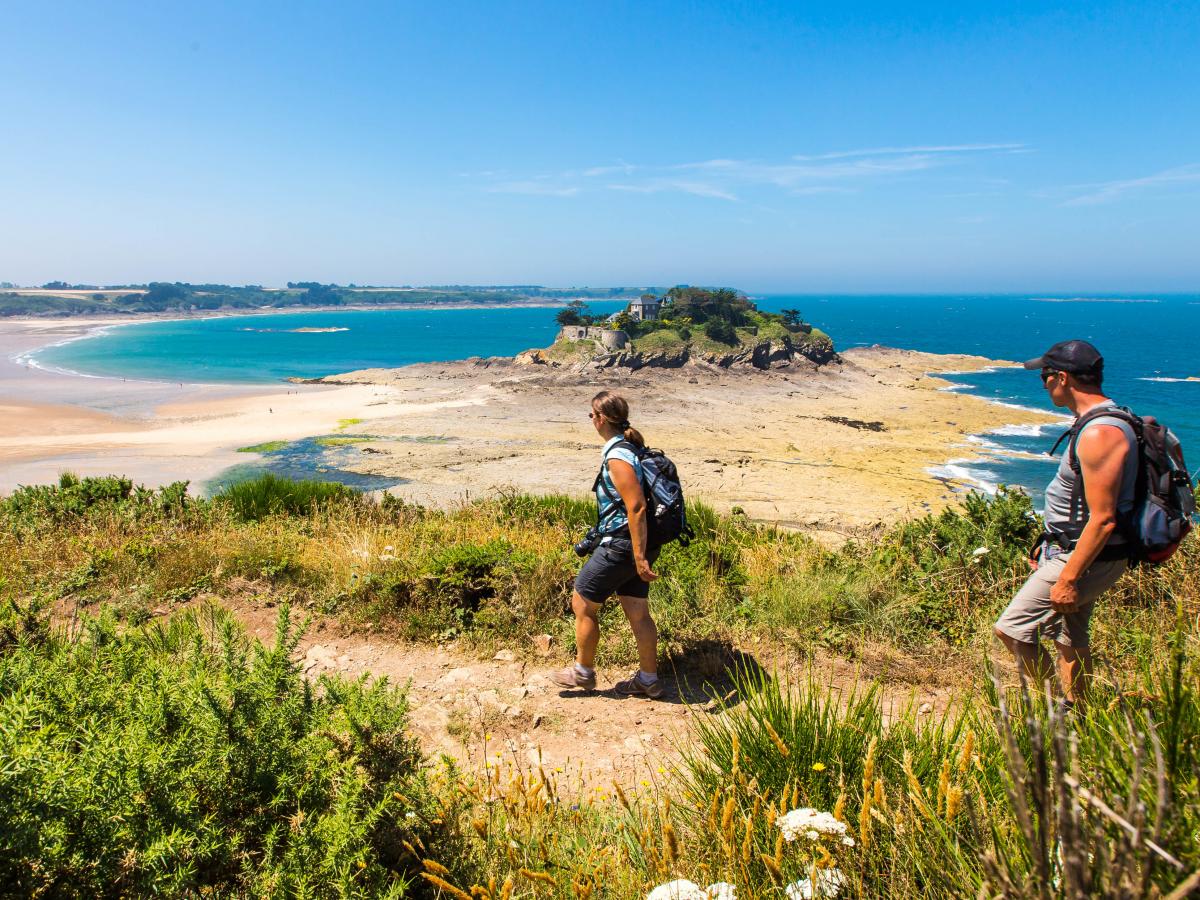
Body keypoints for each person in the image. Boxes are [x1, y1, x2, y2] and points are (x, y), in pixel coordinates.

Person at [993, 340, 1137, 707]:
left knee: (1013, 628)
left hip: (1086, 558)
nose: (1043, 385)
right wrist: (1051, 540)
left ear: (1061, 378)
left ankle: (1056, 705)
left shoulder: (1099, 432)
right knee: (1070, 638)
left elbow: (1103, 520)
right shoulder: (1104, 421)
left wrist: (1069, 577)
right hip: (1074, 550)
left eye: (1044, 377)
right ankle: (1082, 716)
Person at [551, 390, 664, 699]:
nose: (591, 420)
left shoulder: (617, 456)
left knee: (582, 601)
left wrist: (639, 557)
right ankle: (649, 680)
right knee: (637, 611)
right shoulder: (632, 448)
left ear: (600, 419)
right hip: (638, 543)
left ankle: (583, 672)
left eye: (592, 415)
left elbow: (637, 506)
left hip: (623, 544)